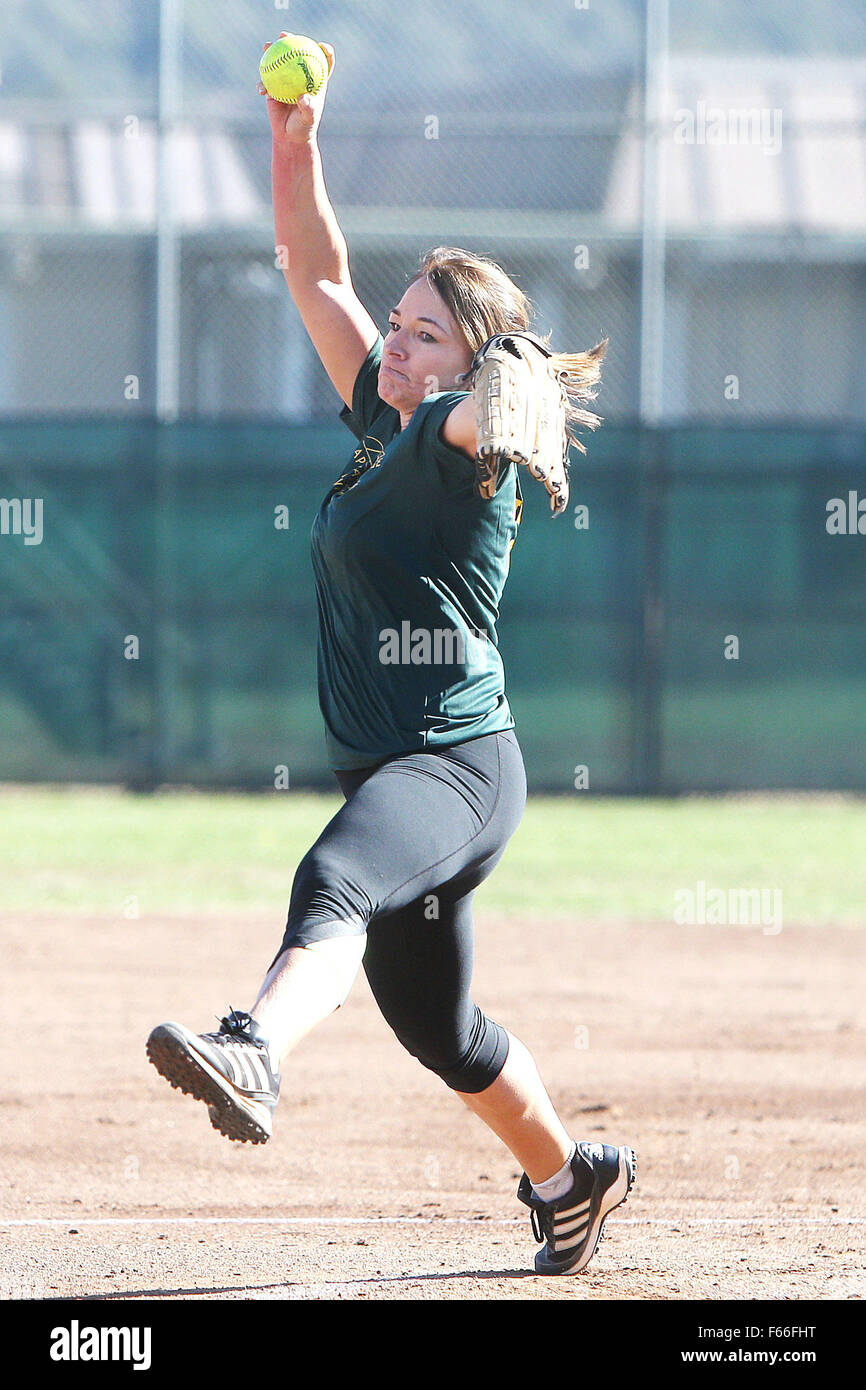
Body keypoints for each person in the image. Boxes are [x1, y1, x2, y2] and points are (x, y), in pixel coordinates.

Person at [146, 37, 636, 1277]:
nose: (397, 347)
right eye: (402, 328)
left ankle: (254, 1042)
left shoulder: (454, 439)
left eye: (424, 335)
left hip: (455, 763)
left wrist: (505, 379)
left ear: (468, 363)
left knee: (334, 883)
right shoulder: (384, 421)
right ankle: (567, 1177)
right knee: (440, 1029)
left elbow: (483, 411)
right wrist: (291, 141)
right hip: (402, 769)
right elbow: (313, 273)